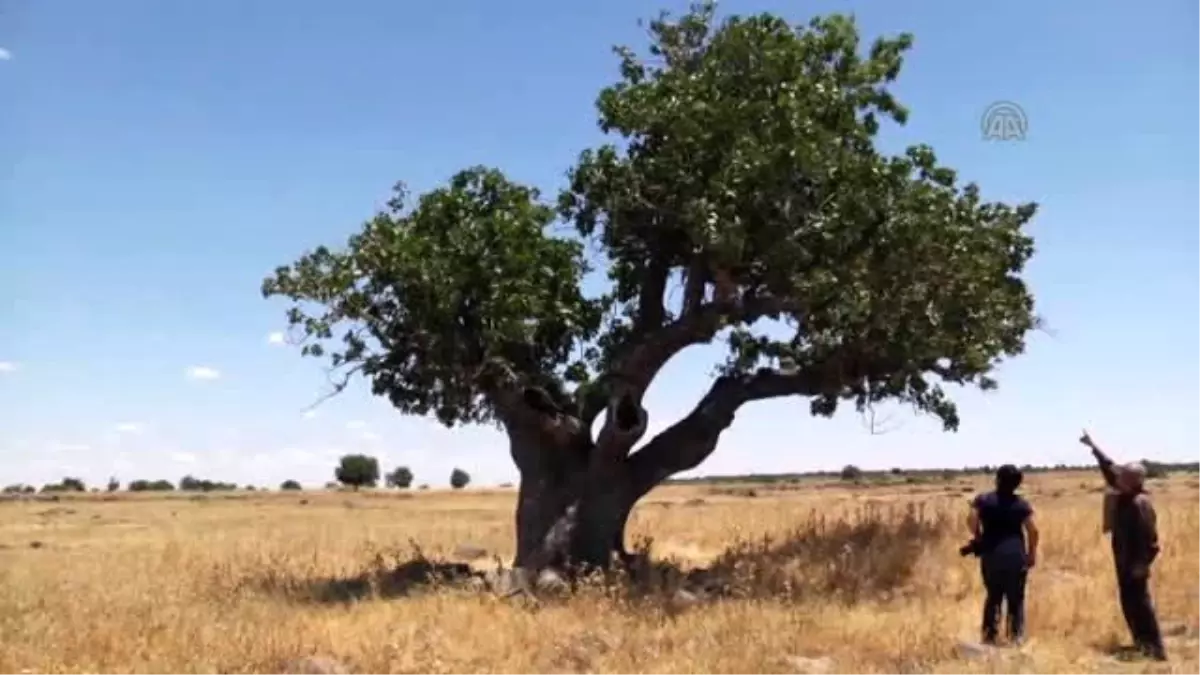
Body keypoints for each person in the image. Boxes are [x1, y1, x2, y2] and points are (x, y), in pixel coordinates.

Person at [1080, 429, 1167, 661]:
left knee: (1141, 603)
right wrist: (1093, 447)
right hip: (1125, 559)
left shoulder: (1139, 504)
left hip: (1135, 563)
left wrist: (1142, 563)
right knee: (1129, 602)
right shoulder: (1125, 495)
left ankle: (1155, 649)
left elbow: (1151, 540)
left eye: (1124, 477)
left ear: (1134, 481)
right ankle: (1142, 644)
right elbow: (1110, 469)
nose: (1118, 479)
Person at [966, 464, 1039, 645]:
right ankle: (1015, 638)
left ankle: (989, 637)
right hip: (1016, 557)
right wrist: (1032, 554)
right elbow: (1033, 530)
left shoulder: (983, 500)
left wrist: (978, 536)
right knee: (1016, 599)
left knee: (993, 596)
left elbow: (971, 519)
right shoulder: (1021, 504)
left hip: (991, 555)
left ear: (997, 479)